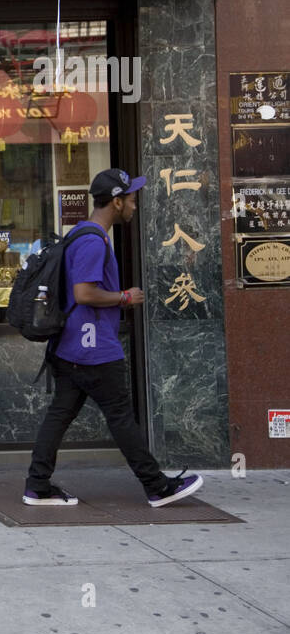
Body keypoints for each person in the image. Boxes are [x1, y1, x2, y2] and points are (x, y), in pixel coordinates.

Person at [23, 168, 203, 508]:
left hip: (70, 347)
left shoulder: (82, 234)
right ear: (117, 202)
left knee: (59, 415)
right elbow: (85, 293)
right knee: (120, 417)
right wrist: (124, 297)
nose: (135, 205)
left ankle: (37, 485)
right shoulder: (93, 241)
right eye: (132, 199)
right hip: (93, 349)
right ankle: (157, 486)